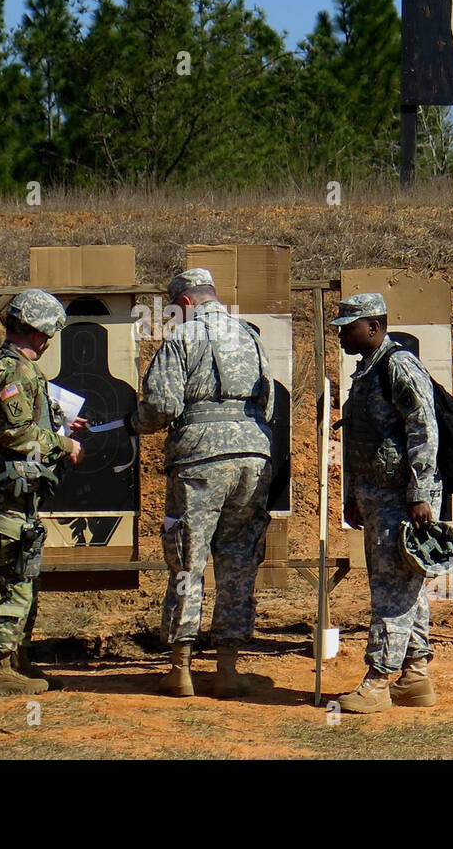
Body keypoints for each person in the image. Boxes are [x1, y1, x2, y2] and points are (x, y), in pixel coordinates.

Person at [124, 268, 275, 698]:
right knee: (239, 560)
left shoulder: (182, 338)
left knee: (188, 560)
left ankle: (181, 670)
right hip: (252, 456)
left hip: (199, 458)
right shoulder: (250, 335)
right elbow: (269, 397)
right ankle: (227, 669)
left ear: (186, 302)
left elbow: (161, 404)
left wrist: (134, 423)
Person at [0, 288, 85, 698]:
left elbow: (23, 422)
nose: (50, 339)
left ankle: (10, 660)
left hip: (17, 491)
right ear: (36, 329)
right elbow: (15, 432)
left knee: (18, 573)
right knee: (13, 577)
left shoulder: (16, 368)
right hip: (8, 493)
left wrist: (60, 427)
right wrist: (64, 445)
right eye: (48, 331)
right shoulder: (13, 370)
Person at [333, 293, 444, 713]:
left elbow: (423, 429)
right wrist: (356, 496)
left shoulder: (398, 365)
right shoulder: (369, 371)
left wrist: (417, 493)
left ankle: (378, 682)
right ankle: (415, 676)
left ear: (374, 327)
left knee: (391, 589)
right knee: (408, 586)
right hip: (378, 494)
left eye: (349, 326)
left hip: (403, 497)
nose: (342, 334)